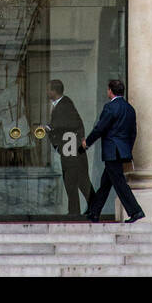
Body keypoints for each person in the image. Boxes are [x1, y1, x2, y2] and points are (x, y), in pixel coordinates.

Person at [82, 78, 145, 224]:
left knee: (119, 183)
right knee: (106, 183)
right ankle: (94, 213)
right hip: (122, 151)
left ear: (110, 91)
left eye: (107, 89)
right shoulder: (130, 109)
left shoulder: (110, 108)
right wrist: (127, 150)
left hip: (112, 151)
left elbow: (100, 128)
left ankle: (136, 211)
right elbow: (133, 133)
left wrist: (87, 143)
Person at [45, 79, 93, 217]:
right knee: (78, 180)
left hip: (71, 147)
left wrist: (48, 128)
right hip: (70, 147)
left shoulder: (64, 105)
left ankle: (77, 210)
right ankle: (83, 209)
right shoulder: (64, 104)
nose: (47, 92)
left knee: (74, 180)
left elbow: (64, 124)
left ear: (54, 91)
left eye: (49, 90)